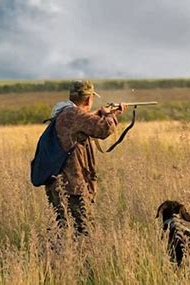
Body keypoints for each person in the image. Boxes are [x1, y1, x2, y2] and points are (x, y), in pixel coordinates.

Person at [45, 80, 127, 236]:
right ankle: (84, 260)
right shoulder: (73, 114)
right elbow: (104, 129)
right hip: (73, 187)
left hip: (58, 184)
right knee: (85, 233)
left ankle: (56, 259)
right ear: (88, 99)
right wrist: (112, 115)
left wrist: (99, 114)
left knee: (62, 231)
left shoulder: (63, 112)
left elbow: (85, 122)